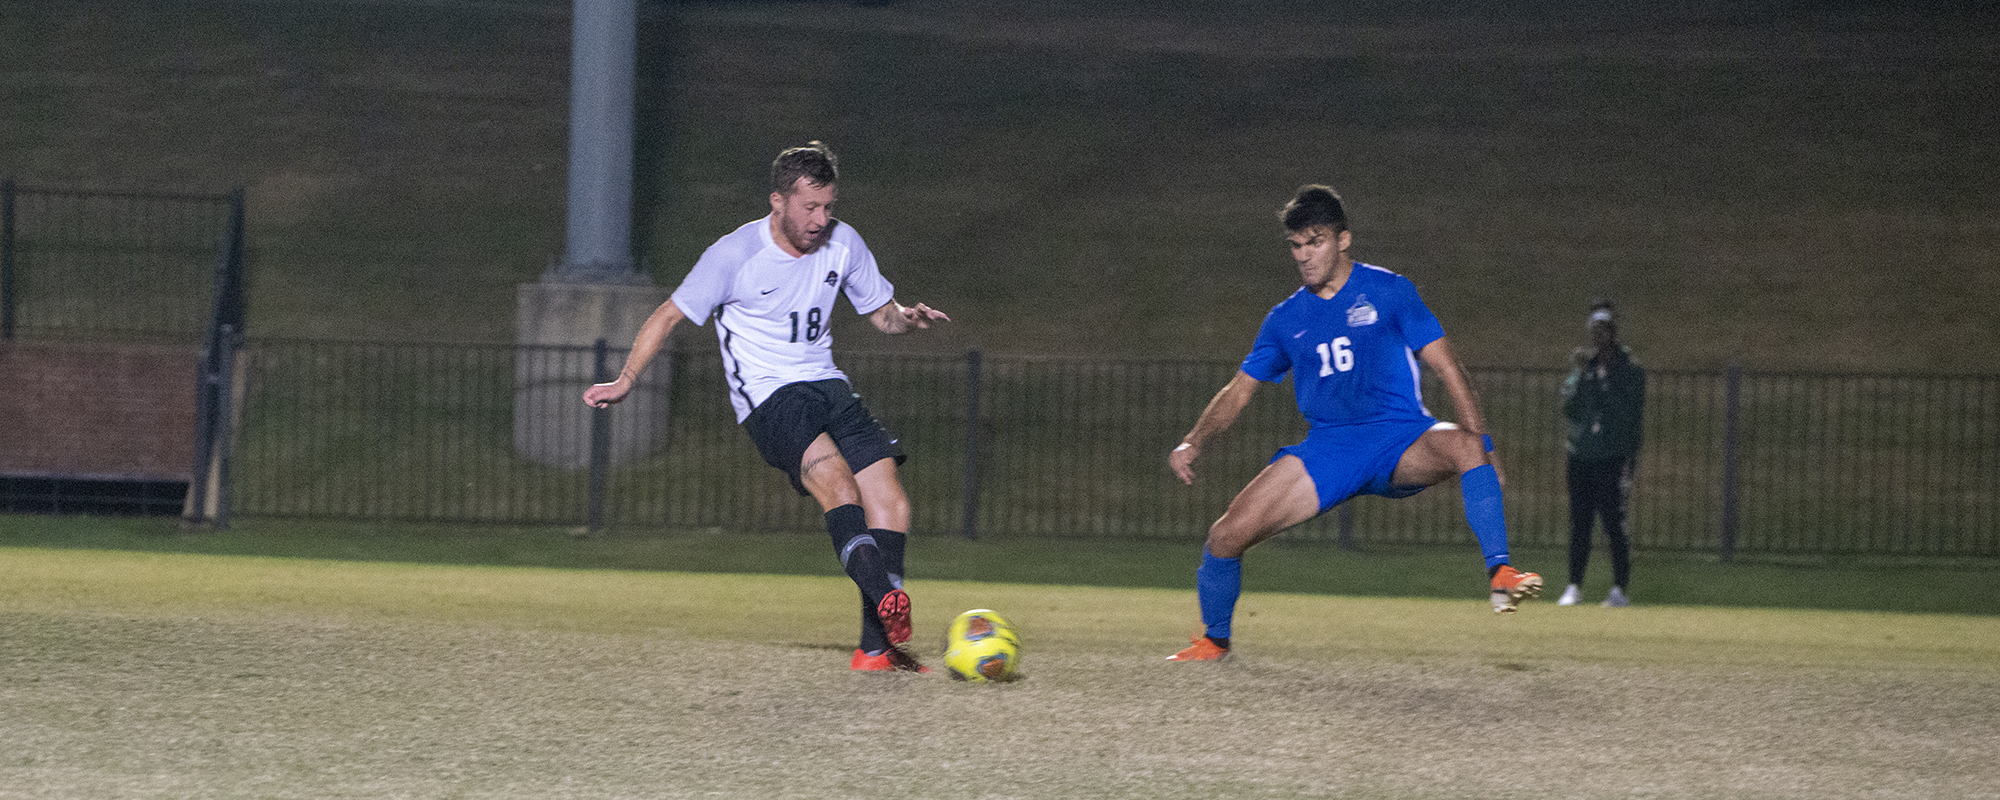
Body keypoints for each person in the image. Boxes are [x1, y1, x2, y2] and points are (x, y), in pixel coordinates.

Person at [582, 141, 949, 672]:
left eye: (828, 207)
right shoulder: (734, 255)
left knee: (891, 505)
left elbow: (882, 314)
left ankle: (875, 651)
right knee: (839, 488)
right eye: (809, 207)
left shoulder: (844, 243)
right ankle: (887, 606)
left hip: (828, 385)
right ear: (778, 201)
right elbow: (666, 315)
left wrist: (908, 319)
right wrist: (626, 378)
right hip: (770, 397)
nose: (821, 220)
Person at [1164, 184, 1542, 662]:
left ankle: (1501, 574)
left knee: (1466, 446)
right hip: (1330, 451)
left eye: (1315, 241)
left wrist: (1487, 446)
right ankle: (1214, 642)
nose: (1304, 256)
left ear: (1343, 240)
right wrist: (1193, 441)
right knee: (1224, 536)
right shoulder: (1285, 319)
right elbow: (1239, 391)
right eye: (1296, 246)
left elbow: (1448, 368)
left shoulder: (1390, 290)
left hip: (1401, 438)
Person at [1557, 301, 1645, 608]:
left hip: (1613, 455)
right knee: (1579, 522)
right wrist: (1583, 376)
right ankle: (1574, 585)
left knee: (1613, 523)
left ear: (1613, 332)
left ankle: (1620, 588)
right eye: (1594, 330)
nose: (1598, 336)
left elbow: (1628, 411)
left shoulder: (1630, 371)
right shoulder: (1585, 369)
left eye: (1604, 330)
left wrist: (1607, 381)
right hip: (1581, 455)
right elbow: (1569, 407)